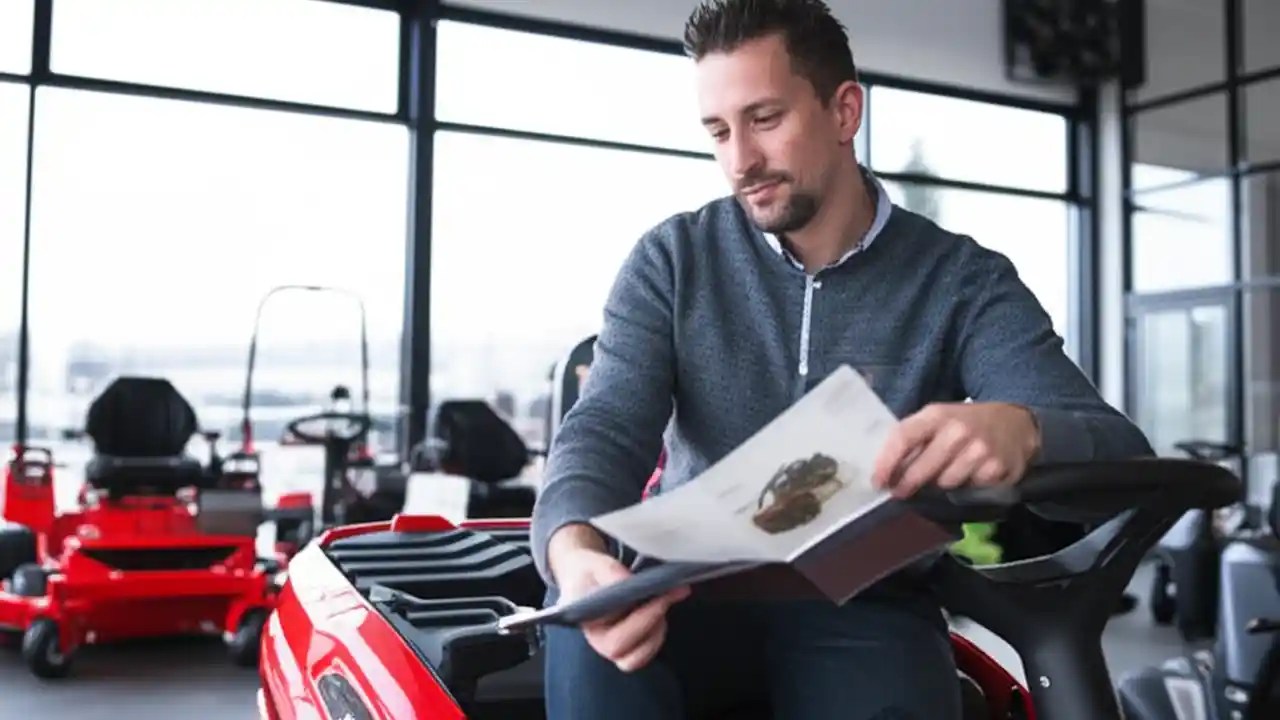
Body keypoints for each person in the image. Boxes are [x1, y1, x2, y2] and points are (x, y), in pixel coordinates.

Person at [530, 0, 1154, 717]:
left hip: (866, 608)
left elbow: (1118, 457)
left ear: (844, 111)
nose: (740, 161)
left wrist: (1025, 429)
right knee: (579, 622)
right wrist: (574, 555)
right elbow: (604, 426)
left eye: (765, 119)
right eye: (718, 131)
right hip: (685, 594)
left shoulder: (962, 281)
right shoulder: (673, 260)